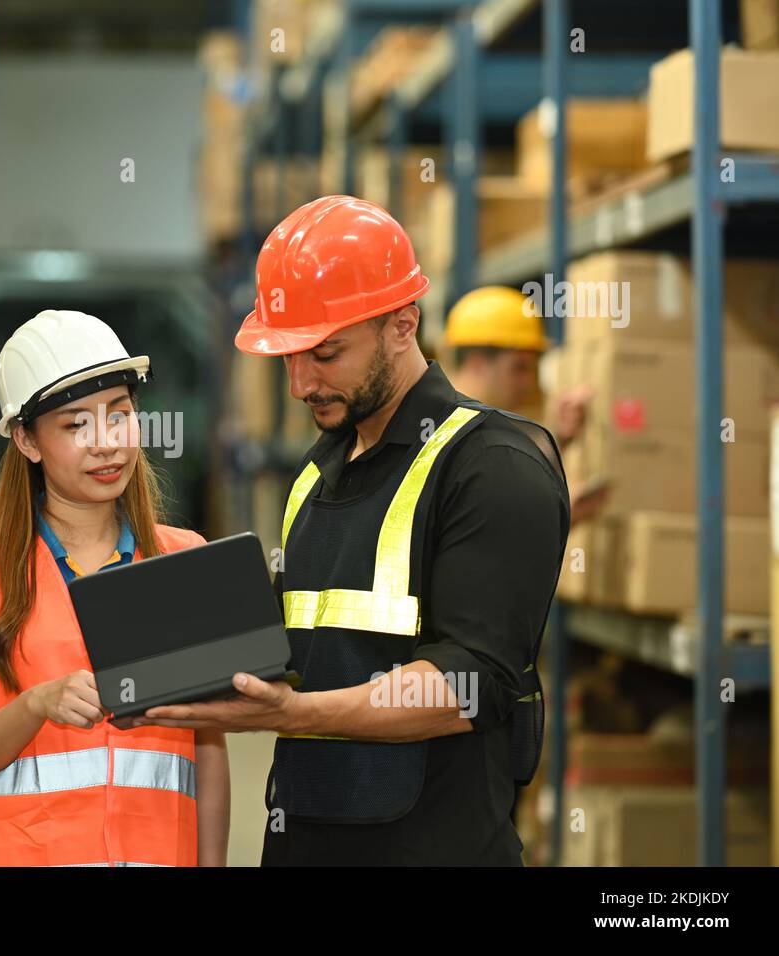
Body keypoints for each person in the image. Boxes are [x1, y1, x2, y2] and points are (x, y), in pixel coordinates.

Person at [135, 196, 569, 865]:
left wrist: (292, 714)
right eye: (288, 357)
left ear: (403, 326)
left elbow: (468, 682)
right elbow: (303, 644)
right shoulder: (317, 473)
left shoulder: (492, 468)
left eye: (326, 353)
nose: (301, 382)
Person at [0, 309, 230, 867]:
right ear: (27, 440)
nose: (106, 443)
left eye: (120, 415)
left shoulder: (185, 561)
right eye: (74, 425)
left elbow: (206, 755)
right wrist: (37, 704)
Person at [443, 285, 606, 523]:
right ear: (477, 363)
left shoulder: (477, 428)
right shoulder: (447, 435)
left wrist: (557, 440)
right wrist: (555, 516)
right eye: (519, 368)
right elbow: (483, 531)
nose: (529, 383)